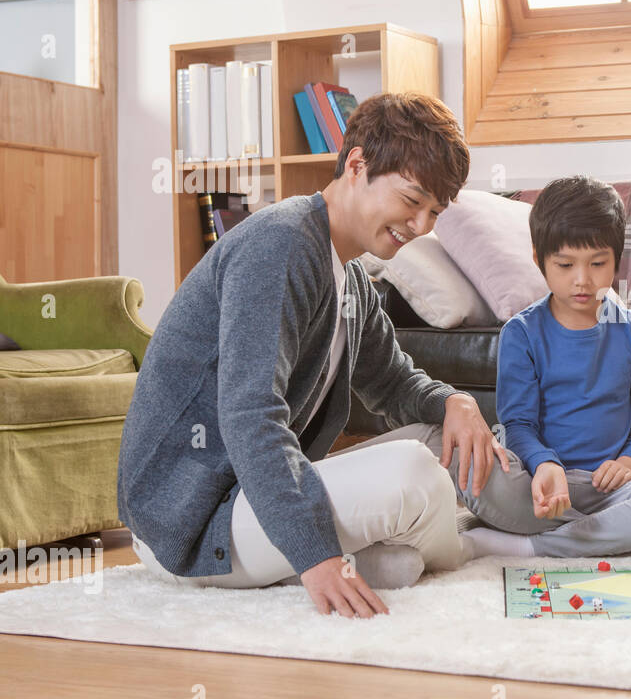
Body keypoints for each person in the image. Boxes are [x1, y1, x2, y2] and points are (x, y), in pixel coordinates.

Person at [118, 92, 508, 619]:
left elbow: (392, 385)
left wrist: (454, 402)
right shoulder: (279, 245)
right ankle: (485, 546)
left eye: (434, 212)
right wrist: (316, 554)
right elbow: (250, 413)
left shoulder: (350, 275)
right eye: (412, 201)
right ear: (356, 164)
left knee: (440, 442)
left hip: (256, 501)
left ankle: (471, 533)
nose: (420, 226)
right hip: (191, 521)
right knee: (413, 472)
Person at [458, 175, 631, 558]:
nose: (582, 280)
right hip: (538, 487)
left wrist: (629, 461)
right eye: (565, 264)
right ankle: (621, 536)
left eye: (597, 263)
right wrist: (545, 464)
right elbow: (519, 425)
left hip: (611, 493)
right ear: (539, 260)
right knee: (473, 466)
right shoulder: (521, 333)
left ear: (617, 259)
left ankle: (529, 546)